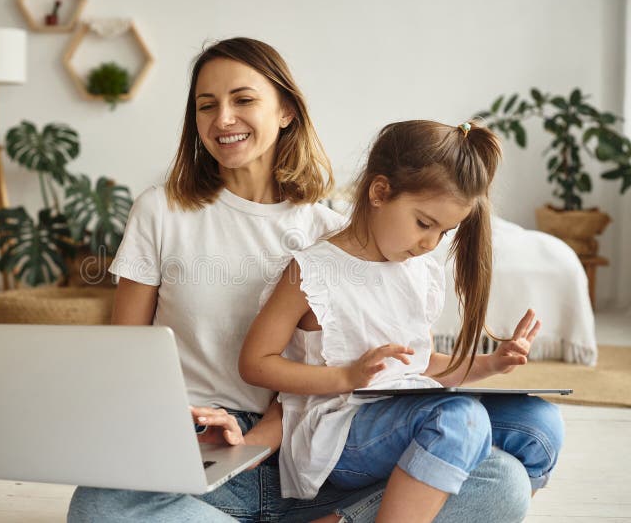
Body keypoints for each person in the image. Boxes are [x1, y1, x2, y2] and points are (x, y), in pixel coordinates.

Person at [68, 40, 533, 522]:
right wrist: (173, 420)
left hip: (307, 453)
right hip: (198, 438)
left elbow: (370, 371)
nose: (223, 118)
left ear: (287, 110)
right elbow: (125, 355)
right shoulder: (161, 211)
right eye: (207, 105)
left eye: (243, 100)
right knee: (99, 507)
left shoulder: (333, 234)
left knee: (503, 483)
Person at [239, 120, 565, 522]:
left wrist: (491, 364)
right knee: (459, 420)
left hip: (403, 417)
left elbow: (420, 365)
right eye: (424, 223)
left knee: (540, 425)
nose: (430, 243)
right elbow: (255, 362)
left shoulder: (418, 271)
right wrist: (344, 378)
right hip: (336, 431)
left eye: (443, 232)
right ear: (379, 192)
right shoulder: (311, 271)